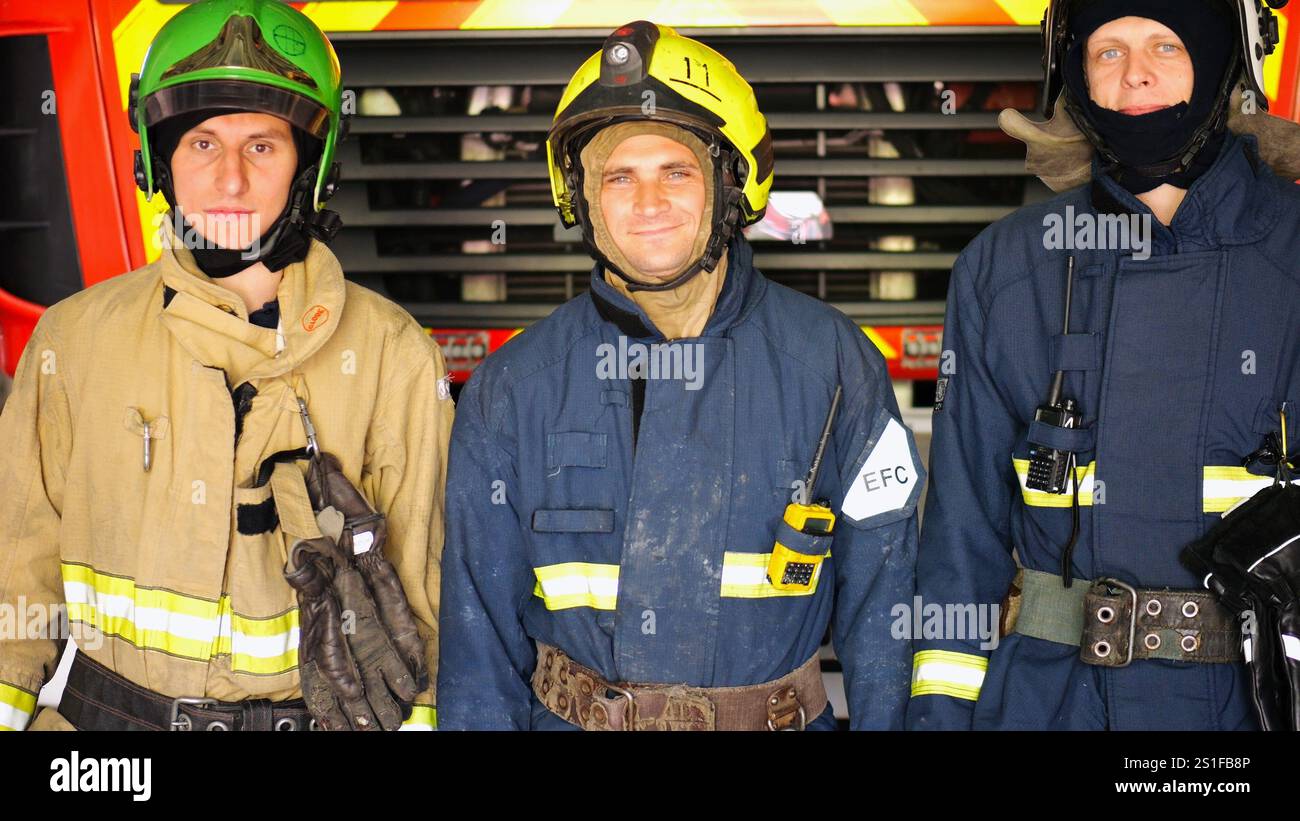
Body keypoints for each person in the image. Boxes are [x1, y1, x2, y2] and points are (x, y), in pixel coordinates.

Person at [437, 20, 923, 731]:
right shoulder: (512, 390)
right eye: (619, 176)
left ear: (732, 184)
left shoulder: (836, 366)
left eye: (676, 171)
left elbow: (886, 616)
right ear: (583, 197)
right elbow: (478, 654)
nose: (648, 202)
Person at [0, 0, 451, 731]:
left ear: (312, 164)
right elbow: (13, 581)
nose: (231, 180)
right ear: (160, 161)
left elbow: (425, 614)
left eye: (263, 146)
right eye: (203, 144)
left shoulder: (394, 356)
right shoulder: (73, 341)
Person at [908, 0, 1300, 730]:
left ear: (1223, 65)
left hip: (1251, 709)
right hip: (1050, 703)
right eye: (1109, 52)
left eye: (1166, 46)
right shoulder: (1003, 270)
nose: (1136, 76)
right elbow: (961, 542)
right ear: (1073, 74)